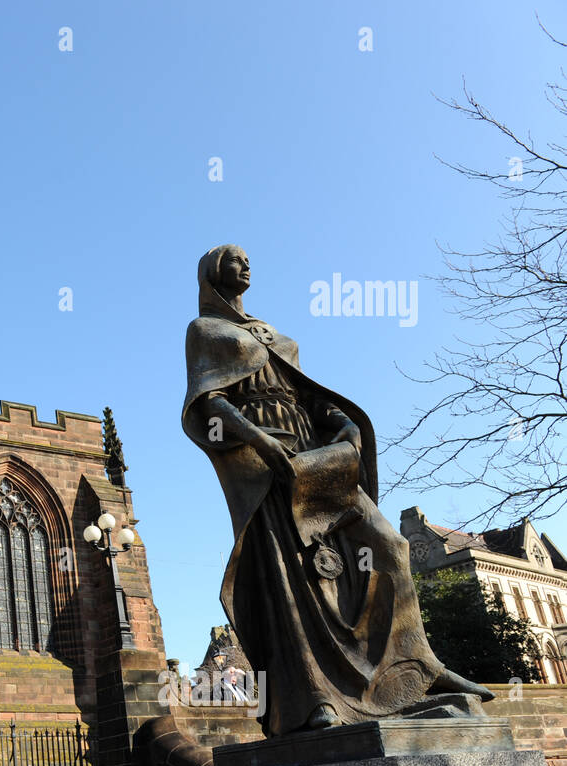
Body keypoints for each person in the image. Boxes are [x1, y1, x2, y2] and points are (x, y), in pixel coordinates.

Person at [181, 244, 494, 736]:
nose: (246, 265)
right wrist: (261, 442)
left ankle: (419, 672)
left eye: (248, 258)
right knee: (296, 582)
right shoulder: (204, 331)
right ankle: (313, 699)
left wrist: (344, 422)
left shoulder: (270, 333)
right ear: (212, 274)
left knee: (388, 546)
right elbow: (210, 402)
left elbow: (308, 396)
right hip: (269, 467)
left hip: (319, 459)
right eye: (234, 260)